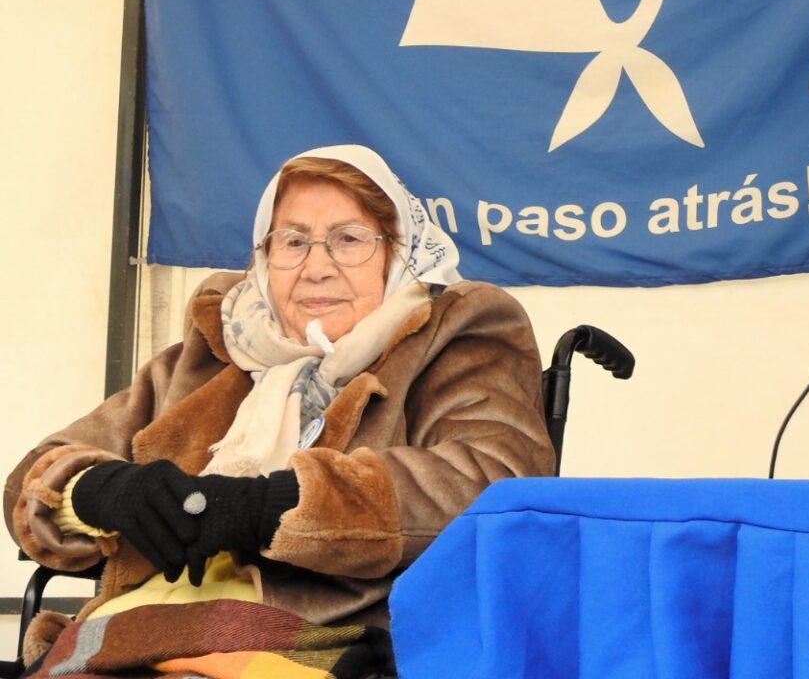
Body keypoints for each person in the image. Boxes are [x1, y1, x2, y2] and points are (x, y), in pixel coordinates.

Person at [5, 145, 555, 671]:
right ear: (265, 259)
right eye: (292, 242)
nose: (316, 266)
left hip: (322, 638)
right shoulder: (209, 355)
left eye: (348, 239)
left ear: (399, 250)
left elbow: (494, 478)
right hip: (133, 634)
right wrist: (100, 492)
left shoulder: (455, 334)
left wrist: (266, 504)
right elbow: (33, 479)